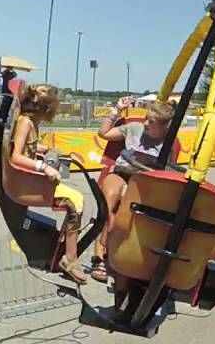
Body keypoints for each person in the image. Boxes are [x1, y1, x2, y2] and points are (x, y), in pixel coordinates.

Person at [89, 97, 174, 282]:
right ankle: (99, 256)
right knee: (109, 199)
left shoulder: (168, 143)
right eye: (146, 118)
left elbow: (168, 172)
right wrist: (116, 110)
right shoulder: (134, 129)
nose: (146, 123)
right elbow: (104, 133)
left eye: (151, 122)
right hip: (121, 173)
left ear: (164, 126)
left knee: (132, 211)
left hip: (143, 182)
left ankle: (126, 257)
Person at [9, 84, 88, 284]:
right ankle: (69, 259)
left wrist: (44, 149)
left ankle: (65, 249)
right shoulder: (25, 122)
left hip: (28, 179)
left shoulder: (31, 122)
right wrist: (44, 167)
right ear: (46, 108)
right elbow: (16, 156)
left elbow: (27, 148)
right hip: (24, 184)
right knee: (75, 202)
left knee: (77, 200)